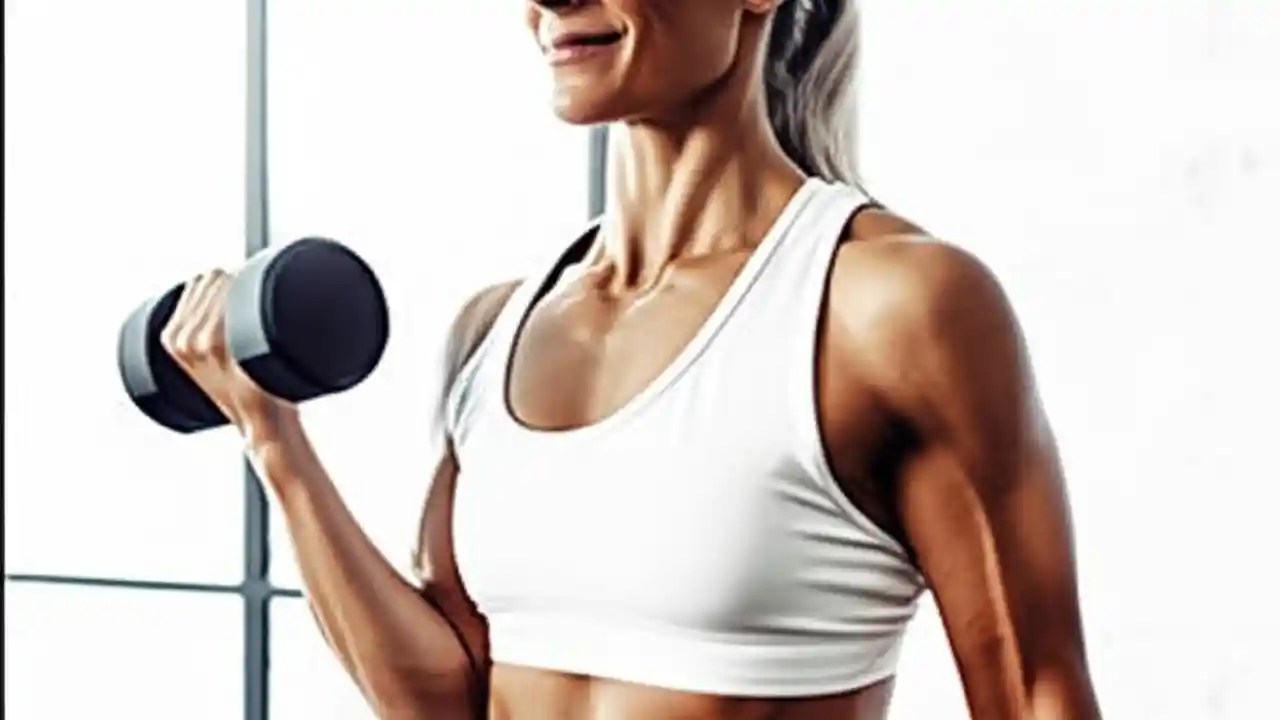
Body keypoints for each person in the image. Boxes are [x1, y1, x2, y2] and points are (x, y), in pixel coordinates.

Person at [163, 1, 1103, 718]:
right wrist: (274, 443)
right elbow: (447, 701)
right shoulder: (496, 328)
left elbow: (1037, 698)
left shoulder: (891, 308)